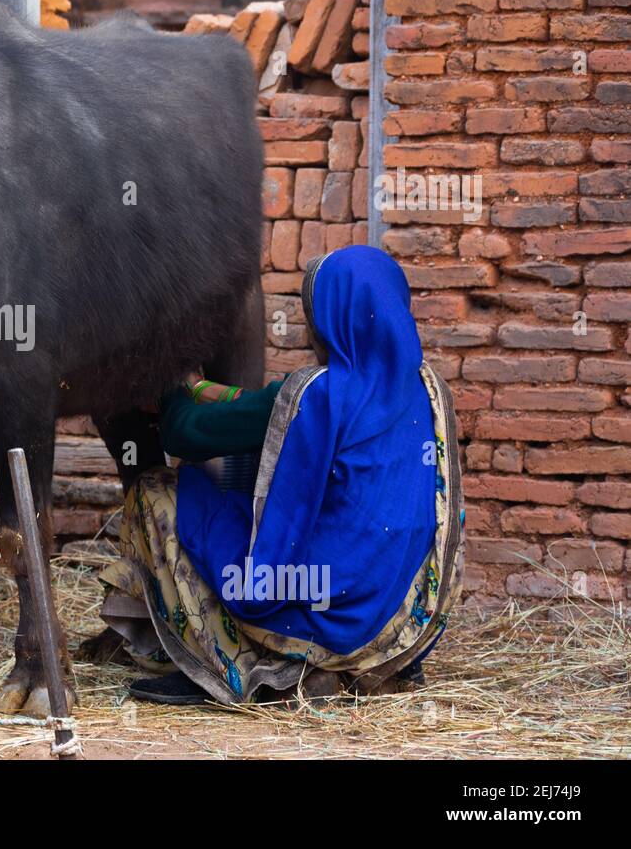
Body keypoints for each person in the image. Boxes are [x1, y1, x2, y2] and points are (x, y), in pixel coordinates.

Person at [98, 246, 464, 705]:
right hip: (394, 622)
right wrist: (205, 388)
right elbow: (268, 409)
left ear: (333, 319)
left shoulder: (318, 395)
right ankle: (359, 670)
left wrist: (172, 386)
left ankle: (219, 662)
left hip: (322, 610)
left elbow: (181, 434)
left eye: (314, 314)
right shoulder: (430, 392)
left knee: (156, 493)